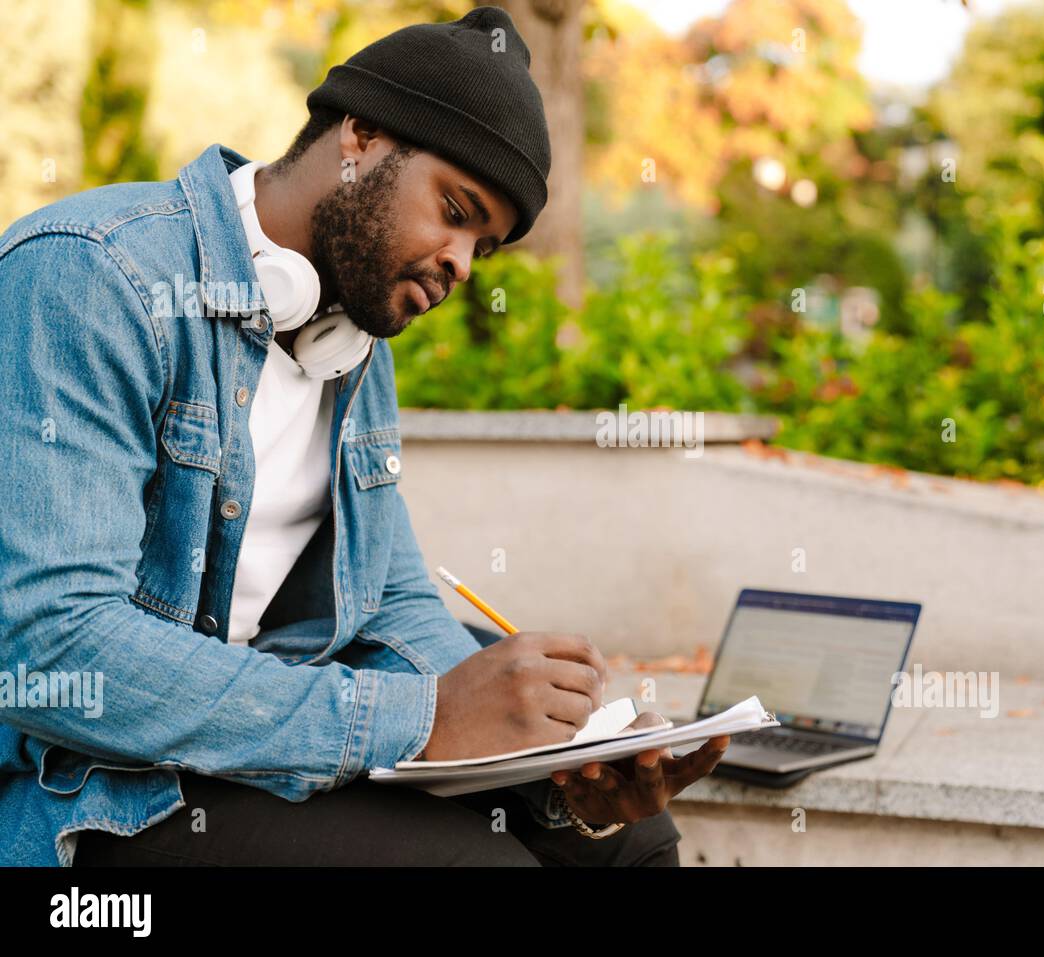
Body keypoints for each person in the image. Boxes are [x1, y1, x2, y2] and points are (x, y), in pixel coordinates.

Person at [0, 6, 727, 868]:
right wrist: (414, 721)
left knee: (628, 840)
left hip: (268, 743)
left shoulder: (354, 339)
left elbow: (387, 596)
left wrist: (552, 761)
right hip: (100, 786)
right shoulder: (93, 274)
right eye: (456, 211)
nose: (461, 263)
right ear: (361, 134)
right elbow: (51, 643)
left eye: (482, 248)